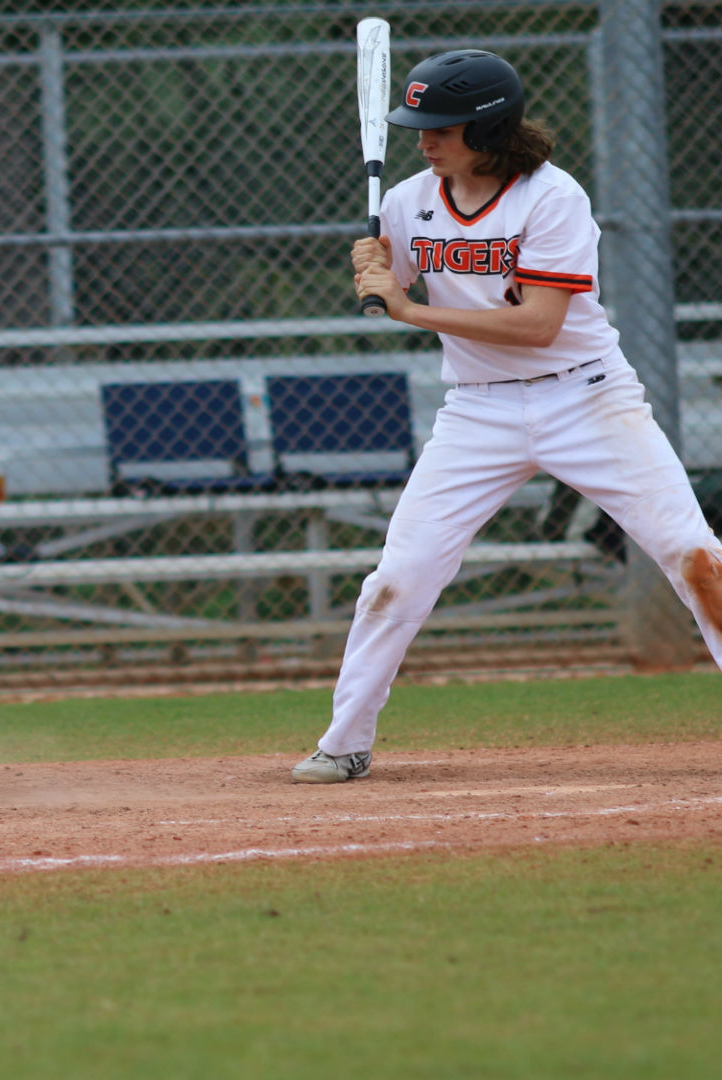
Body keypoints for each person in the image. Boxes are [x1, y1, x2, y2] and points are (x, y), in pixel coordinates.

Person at [294, 50, 722, 783]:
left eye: (443, 127)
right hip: (477, 413)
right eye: (417, 124)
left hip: (587, 397)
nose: (425, 139)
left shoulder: (552, 199)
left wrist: (407, 307)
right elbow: (391, 289)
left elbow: (539, 327)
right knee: (398, 577)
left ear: (489, 127)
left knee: (693, 555)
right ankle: (345, 741)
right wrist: (374, 273)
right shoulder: (405, 199)